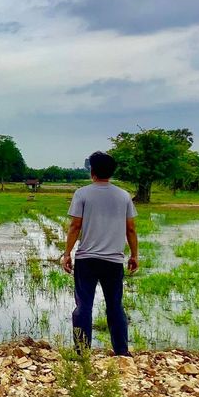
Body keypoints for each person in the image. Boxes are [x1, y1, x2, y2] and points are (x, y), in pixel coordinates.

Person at [61, 151, 138, 356]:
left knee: (83, 306)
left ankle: (82, 352)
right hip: (113, 261)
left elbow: (75, 225)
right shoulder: (123, 196)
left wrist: (67, 253)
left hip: (86, 259)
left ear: (92, 171)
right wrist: (134, 255)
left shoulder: (82, 194)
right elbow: (130, 228)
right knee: (115, 306)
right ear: (111, 172)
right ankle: (122, 351)